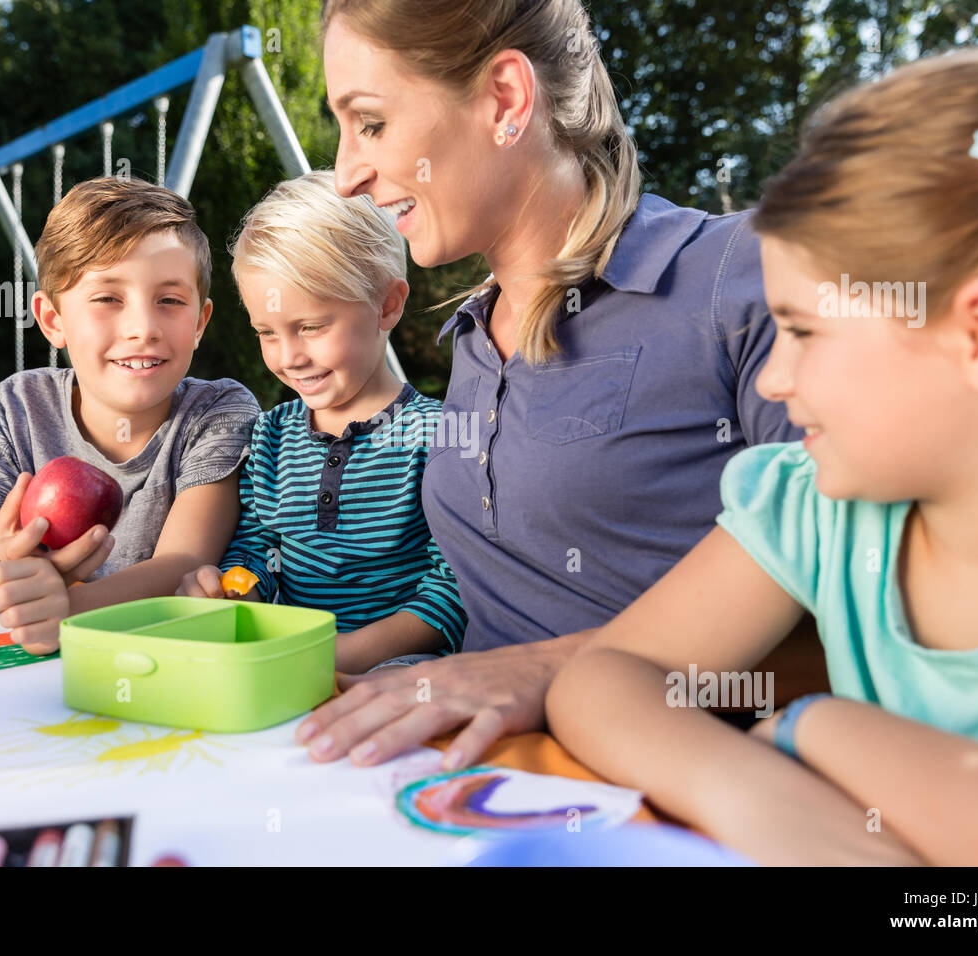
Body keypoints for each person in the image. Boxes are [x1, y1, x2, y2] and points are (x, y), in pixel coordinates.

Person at [547, 47, 978, 865]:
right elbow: (604, 675)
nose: (773, 379)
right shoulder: (817, 505)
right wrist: (756, 796)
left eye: (803, 330)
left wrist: (824, 728)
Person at [297, 0, 796, 766]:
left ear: (505, 100)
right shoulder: (468, 338)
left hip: (667, 795)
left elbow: (863, 620)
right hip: (465, 780)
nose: (344, 175)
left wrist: (548, 673)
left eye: (371, 123)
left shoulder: (735, 275)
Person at [0, 178, 260, 654]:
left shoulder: (219, 412)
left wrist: (66, 611)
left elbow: (183, 561)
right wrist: (1, 585)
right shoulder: (22, 405)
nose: (143, 328)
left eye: (171, 301)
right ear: (53, 320)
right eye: (108, 298)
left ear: (199, 322)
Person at [176, 171, 466, 673]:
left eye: (311, 327)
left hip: (402, 667)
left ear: (387, 305)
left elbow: (453, 586)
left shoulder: (437, 435)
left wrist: (345, 655)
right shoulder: (270, 436)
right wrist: (232, 590)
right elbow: (258, 548)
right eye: (267, 332)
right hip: (289, 656)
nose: (290, 356)